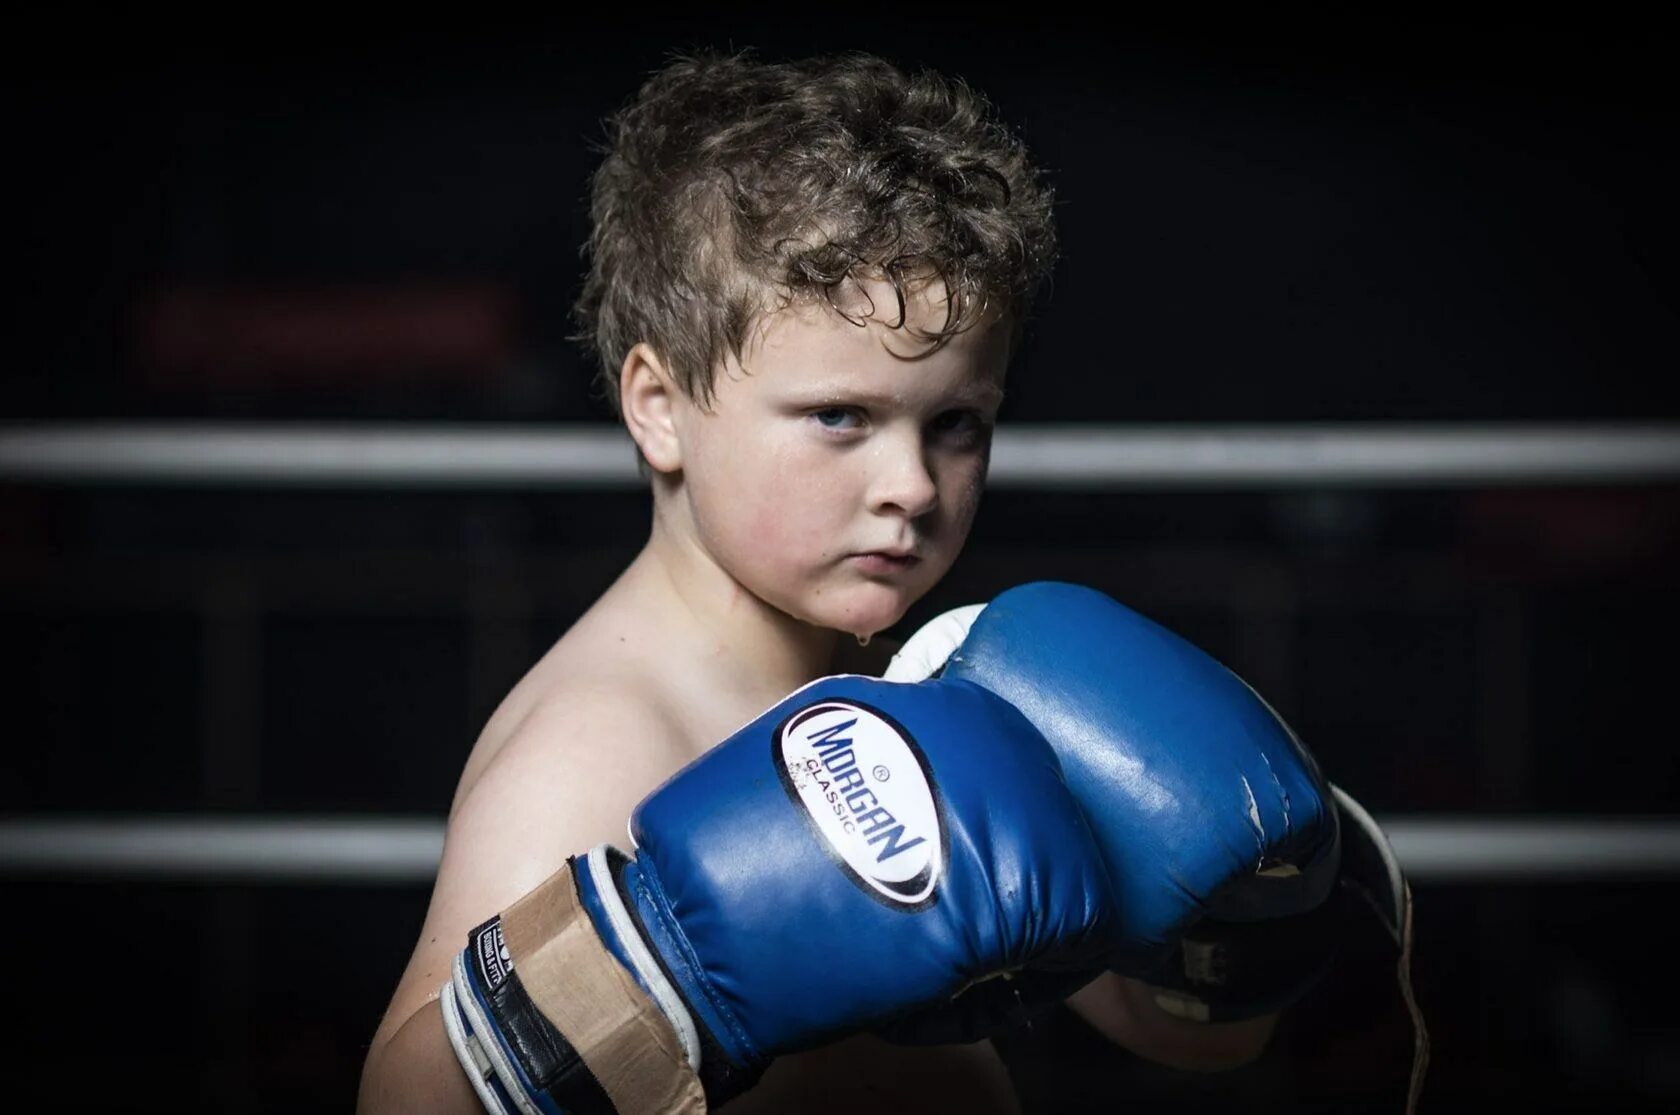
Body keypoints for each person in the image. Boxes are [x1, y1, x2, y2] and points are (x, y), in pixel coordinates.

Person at [358, 49, 1369, 1114]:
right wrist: (667, 968)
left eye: (955, 423)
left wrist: (1239, 931)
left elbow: (1193, 1035)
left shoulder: (927, 692)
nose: (912, 485)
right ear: (658, 405)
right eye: (841, 416)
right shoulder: (603, 745)